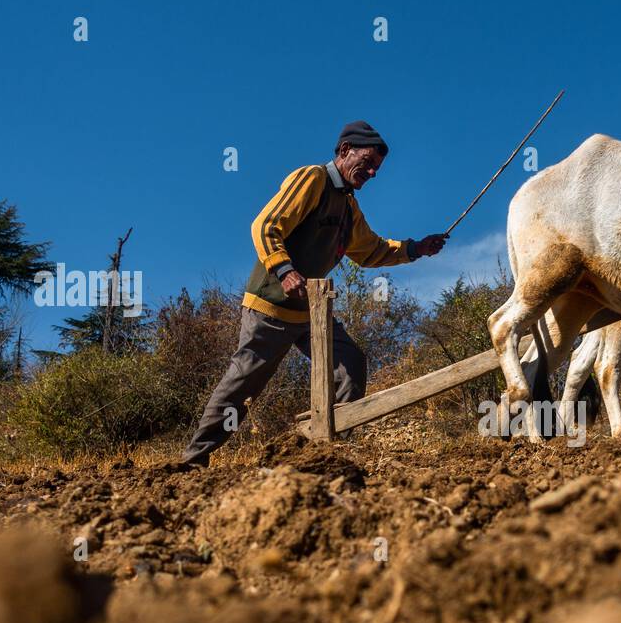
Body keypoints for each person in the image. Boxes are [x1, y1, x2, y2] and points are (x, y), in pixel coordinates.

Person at [181, 120, 446, 465]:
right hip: (270, 309)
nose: (371, 173)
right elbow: (265, 224)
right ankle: (193, 460)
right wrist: (284, 270)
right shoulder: (313, 180)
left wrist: (416, 248)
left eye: (376, 169)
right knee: (243, 384)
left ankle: (329, 452)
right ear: (344, 150)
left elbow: (371, 251)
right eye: (366, 163)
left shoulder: (349, 208)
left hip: (312, 314)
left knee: (350, 364)